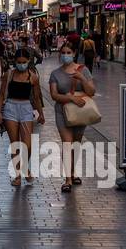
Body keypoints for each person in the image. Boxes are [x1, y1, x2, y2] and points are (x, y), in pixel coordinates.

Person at [49, 40, 96, 193]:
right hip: (62, 111)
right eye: (63, 53)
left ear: (74, 54)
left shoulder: (84, 70)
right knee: (67, 144)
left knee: (76, 143)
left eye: (69, 53)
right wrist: (71, 98)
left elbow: (91, 92)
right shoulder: (55, 74)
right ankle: (67, 179)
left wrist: (82, 78)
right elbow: (54, 95)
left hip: (80, 112)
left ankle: (73, 172)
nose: (66, 55)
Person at [0, 45, 44, 187]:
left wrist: (41, 114)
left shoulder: (33, 77)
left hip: (26, 109)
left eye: (24, 62)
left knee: (27, 145)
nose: (21, 64)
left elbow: (36, 98)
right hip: (10, 108)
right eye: (19, 62)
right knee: (15, 144)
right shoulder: (9, 75)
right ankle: (18, 175)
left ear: (28, 61)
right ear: (15, 61)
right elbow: (0, 95)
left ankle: (25, 167)